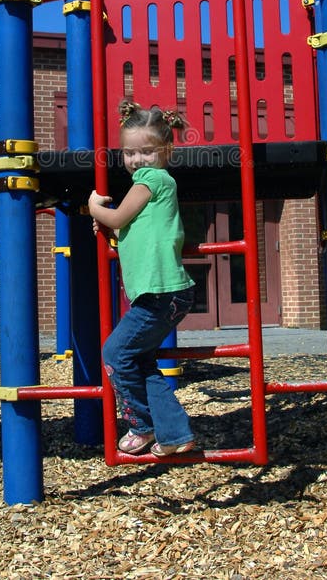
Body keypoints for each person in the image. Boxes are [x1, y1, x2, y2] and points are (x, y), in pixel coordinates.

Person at [88, 99, 196, 456]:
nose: (137, 161)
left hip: (161, 295)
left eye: (146, 151)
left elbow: (117, 218)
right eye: (129, 153)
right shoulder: (156, 185)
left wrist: (95, 207)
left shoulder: (152, 177)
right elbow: (131, 230)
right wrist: (114, 229)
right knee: (141, 361)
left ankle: (142, 426)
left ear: (166, 150)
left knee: (115, 352)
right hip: (165, 294)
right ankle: (175, 435)